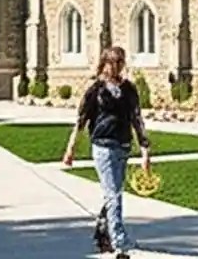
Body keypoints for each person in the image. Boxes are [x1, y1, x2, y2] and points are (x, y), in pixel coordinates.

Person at [63, 47, 152, 259]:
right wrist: (71, 149)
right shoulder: (96, 90)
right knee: (113, 195)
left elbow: (136, 119)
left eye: (120, 61)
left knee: (115, 194)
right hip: (103, 147)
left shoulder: (129, 89)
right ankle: (119, 243)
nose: (116, 66)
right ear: (104, 64)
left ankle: (103, 231)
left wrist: (145, 150)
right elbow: (81, 120)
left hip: (123, 146)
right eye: (112, 62)